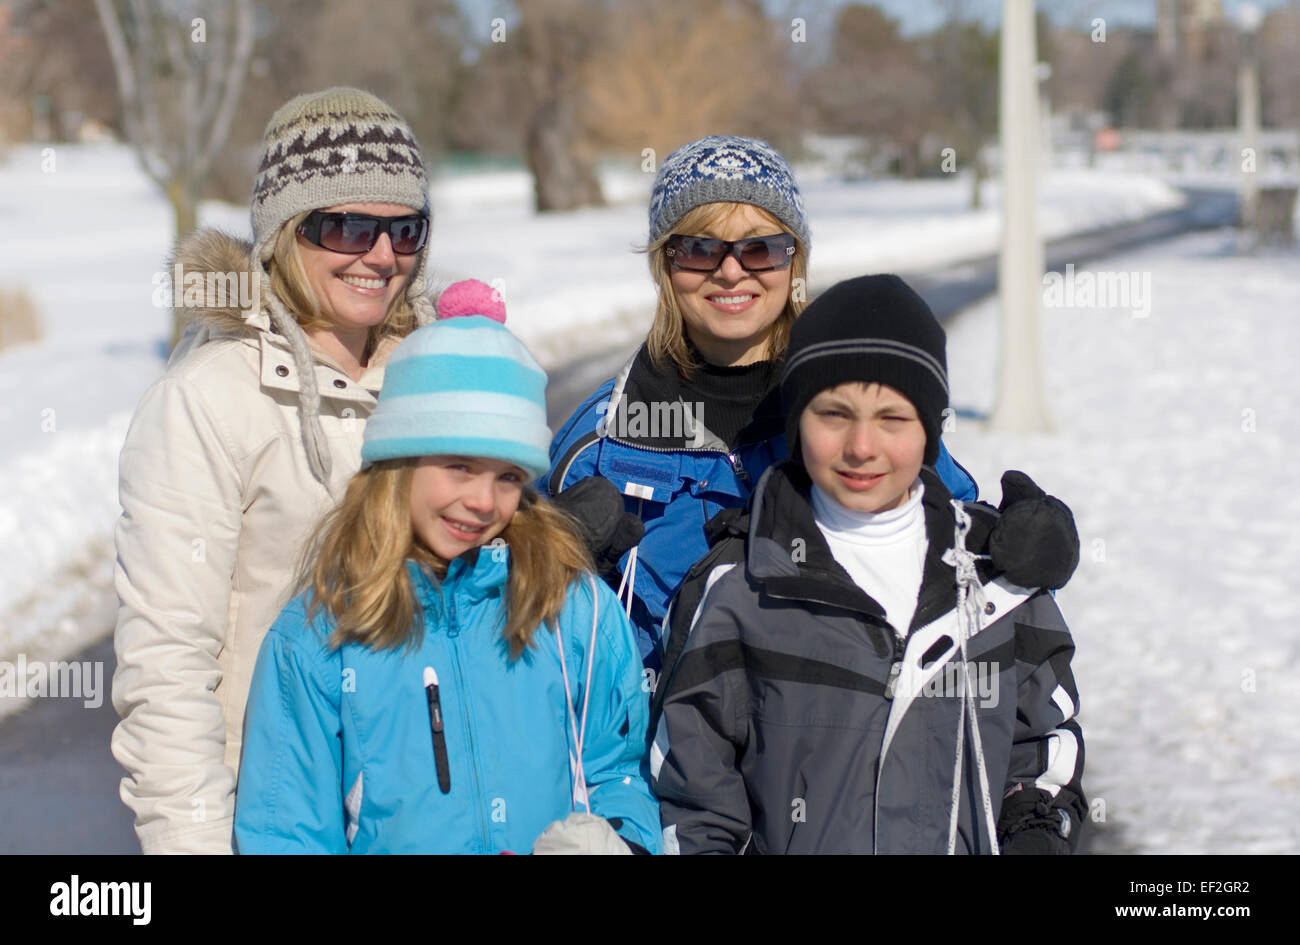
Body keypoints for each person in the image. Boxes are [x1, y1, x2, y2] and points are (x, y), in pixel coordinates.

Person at [542, 136, 1078, 682]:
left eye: (761, 248)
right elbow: (515, 627)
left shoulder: (853, 413)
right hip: (658, 760)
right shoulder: (599, 443)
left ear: (794, 259)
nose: (730, 273)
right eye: (700, 248)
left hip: (828, 755)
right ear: (664, 263)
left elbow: (952, 550)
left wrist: (1017, 548)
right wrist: (550, 569)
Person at [651, 274, 1086, 854]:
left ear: (930, 431)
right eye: (833, 414)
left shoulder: (995, 583)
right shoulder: (742, 589)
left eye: (893, 418)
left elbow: (1043, 752)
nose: (861, 446)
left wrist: (1035, 833)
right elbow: (693, 799)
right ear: (795, 422)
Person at [111, 87, 437, 854]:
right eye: (349, 226)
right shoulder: (209, 396)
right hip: (273, 818)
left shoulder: (436, 376)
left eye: (405, 229)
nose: (382, 255)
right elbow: (165, 662)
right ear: (288, 232)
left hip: (421, 809)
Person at [233, 286, 660, 854]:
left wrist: (621, 844)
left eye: (508, 476)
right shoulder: (320, 634)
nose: (483, 501)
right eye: (459, 466)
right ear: (397, 464)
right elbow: (286, 835)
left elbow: (616, 770)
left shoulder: (572, 608)